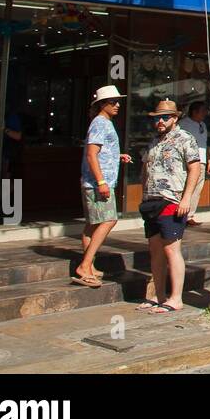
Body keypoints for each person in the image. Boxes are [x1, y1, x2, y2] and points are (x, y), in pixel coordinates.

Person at [136, 100, 202, 314]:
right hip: (151, 201)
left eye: (165, 117)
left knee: (171, 249)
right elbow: (146, 169)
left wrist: (186, 199)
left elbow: (194, 169)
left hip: (172, 200)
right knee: (155, 250)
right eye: (157, 118)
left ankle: (176, 298)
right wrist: (143, 194)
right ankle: (159, 295)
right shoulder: (154, 142)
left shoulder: (185, 139)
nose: (160, 121)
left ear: (175, 118)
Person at [75, 85, 132, 287]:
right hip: (98, 183)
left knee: (92, 224)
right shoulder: (100, 123)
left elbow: (101, 151)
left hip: (96, 181)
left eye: (118, 102)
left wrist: (117, 156)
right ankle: (85, 264)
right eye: (112, 102)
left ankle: (89, 266)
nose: (117, 105)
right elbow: (91, 154)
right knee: (109, 220)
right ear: (102, 104)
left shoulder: (103, 123)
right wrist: (101, 181)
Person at [178, 101, 210, 226]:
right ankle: (180, 214)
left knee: (197, 189)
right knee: (186, 187)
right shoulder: (183, 124)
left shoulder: (202, 125)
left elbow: (204, 144)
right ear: (194, 112)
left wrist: (208, 160)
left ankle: (189, 215)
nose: (205, 114)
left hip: (201, 161)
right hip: (189, 161)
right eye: (202, 111)